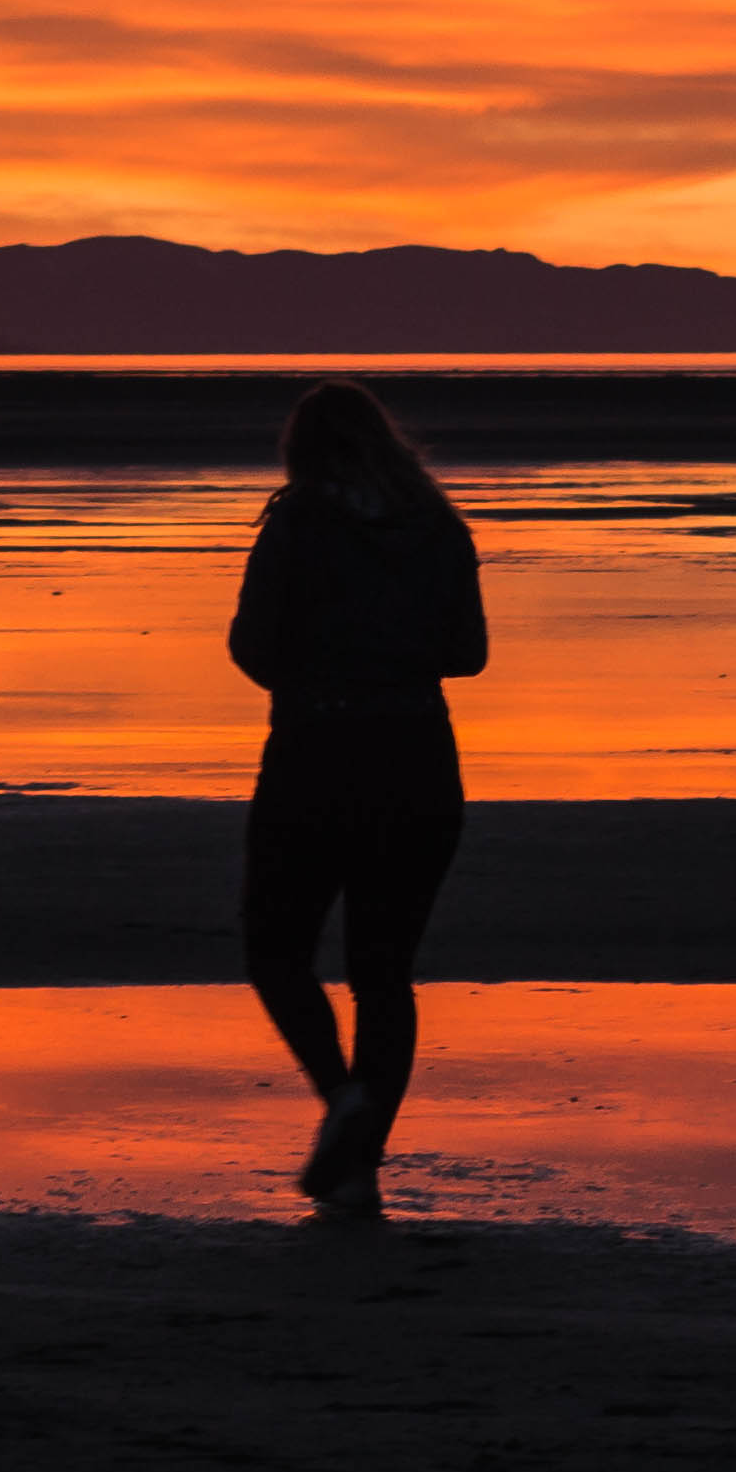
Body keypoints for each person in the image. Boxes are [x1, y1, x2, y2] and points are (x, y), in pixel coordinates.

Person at [226, 377, 487, 1221]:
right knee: (383, 974)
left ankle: (344, 1103)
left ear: (300, 451)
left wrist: (316, 676)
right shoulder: (439, 526)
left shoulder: (298, 522)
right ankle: (356, 1166)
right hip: (417, 751)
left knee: (276, 949)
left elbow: (251, 645)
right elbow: (469, 654)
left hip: (315, 749)